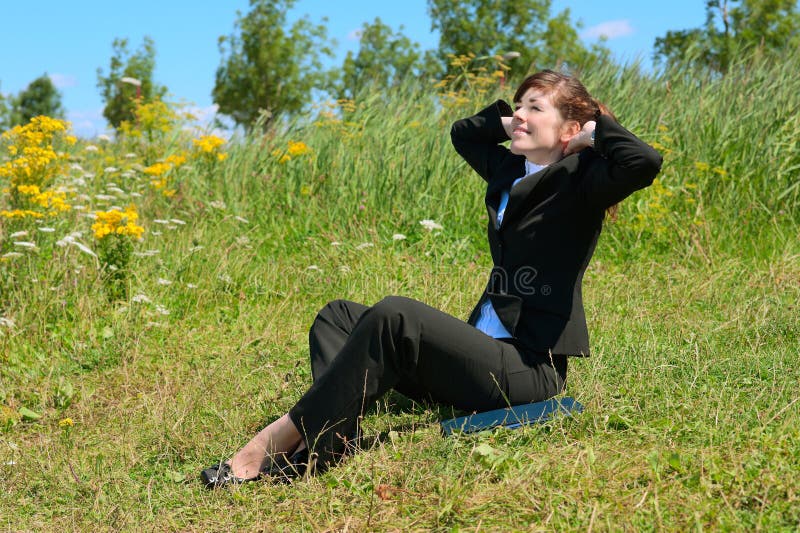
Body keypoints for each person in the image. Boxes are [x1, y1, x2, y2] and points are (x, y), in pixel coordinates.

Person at [200, 69, 662, 487]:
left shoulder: (583, 182)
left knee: (396, 315)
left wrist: (591, 134)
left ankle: (284, 438)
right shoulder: (510, 170)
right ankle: (335, 436)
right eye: (519, 104)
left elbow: (643, 161)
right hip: (478, 356)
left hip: (526, 369)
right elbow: (464, 134)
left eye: (534, 108)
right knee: (337, 316)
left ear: (569, 128)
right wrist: (517, 123)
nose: (520, 114)